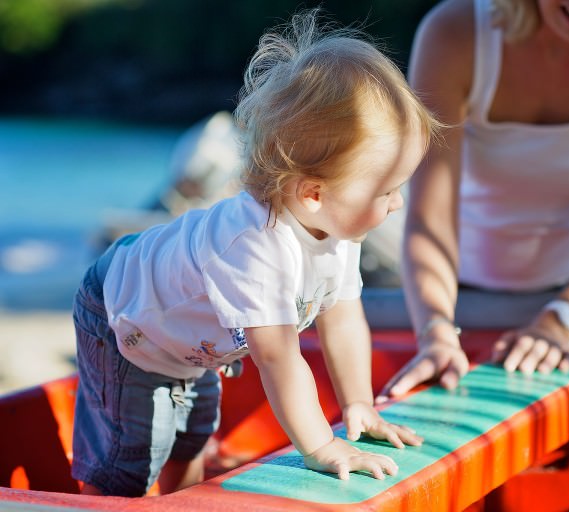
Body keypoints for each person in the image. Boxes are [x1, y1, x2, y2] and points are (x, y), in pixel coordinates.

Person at [71, 9, 440, 497]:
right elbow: (279, 358)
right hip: (125, 314)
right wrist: (321, 446)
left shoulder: (339, 230)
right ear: (313, 193)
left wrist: (359, 405)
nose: (398, 204)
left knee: (194, 431)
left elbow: (344, 320)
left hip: (188, 340)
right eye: (387, 190)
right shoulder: (255, 248)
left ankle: (182, 503)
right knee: (131, 451)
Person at [378, 0, 569, 399]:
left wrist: (563, 318)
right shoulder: (454, 31)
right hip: (450, 296)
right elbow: (429, 217)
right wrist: (435, 330)